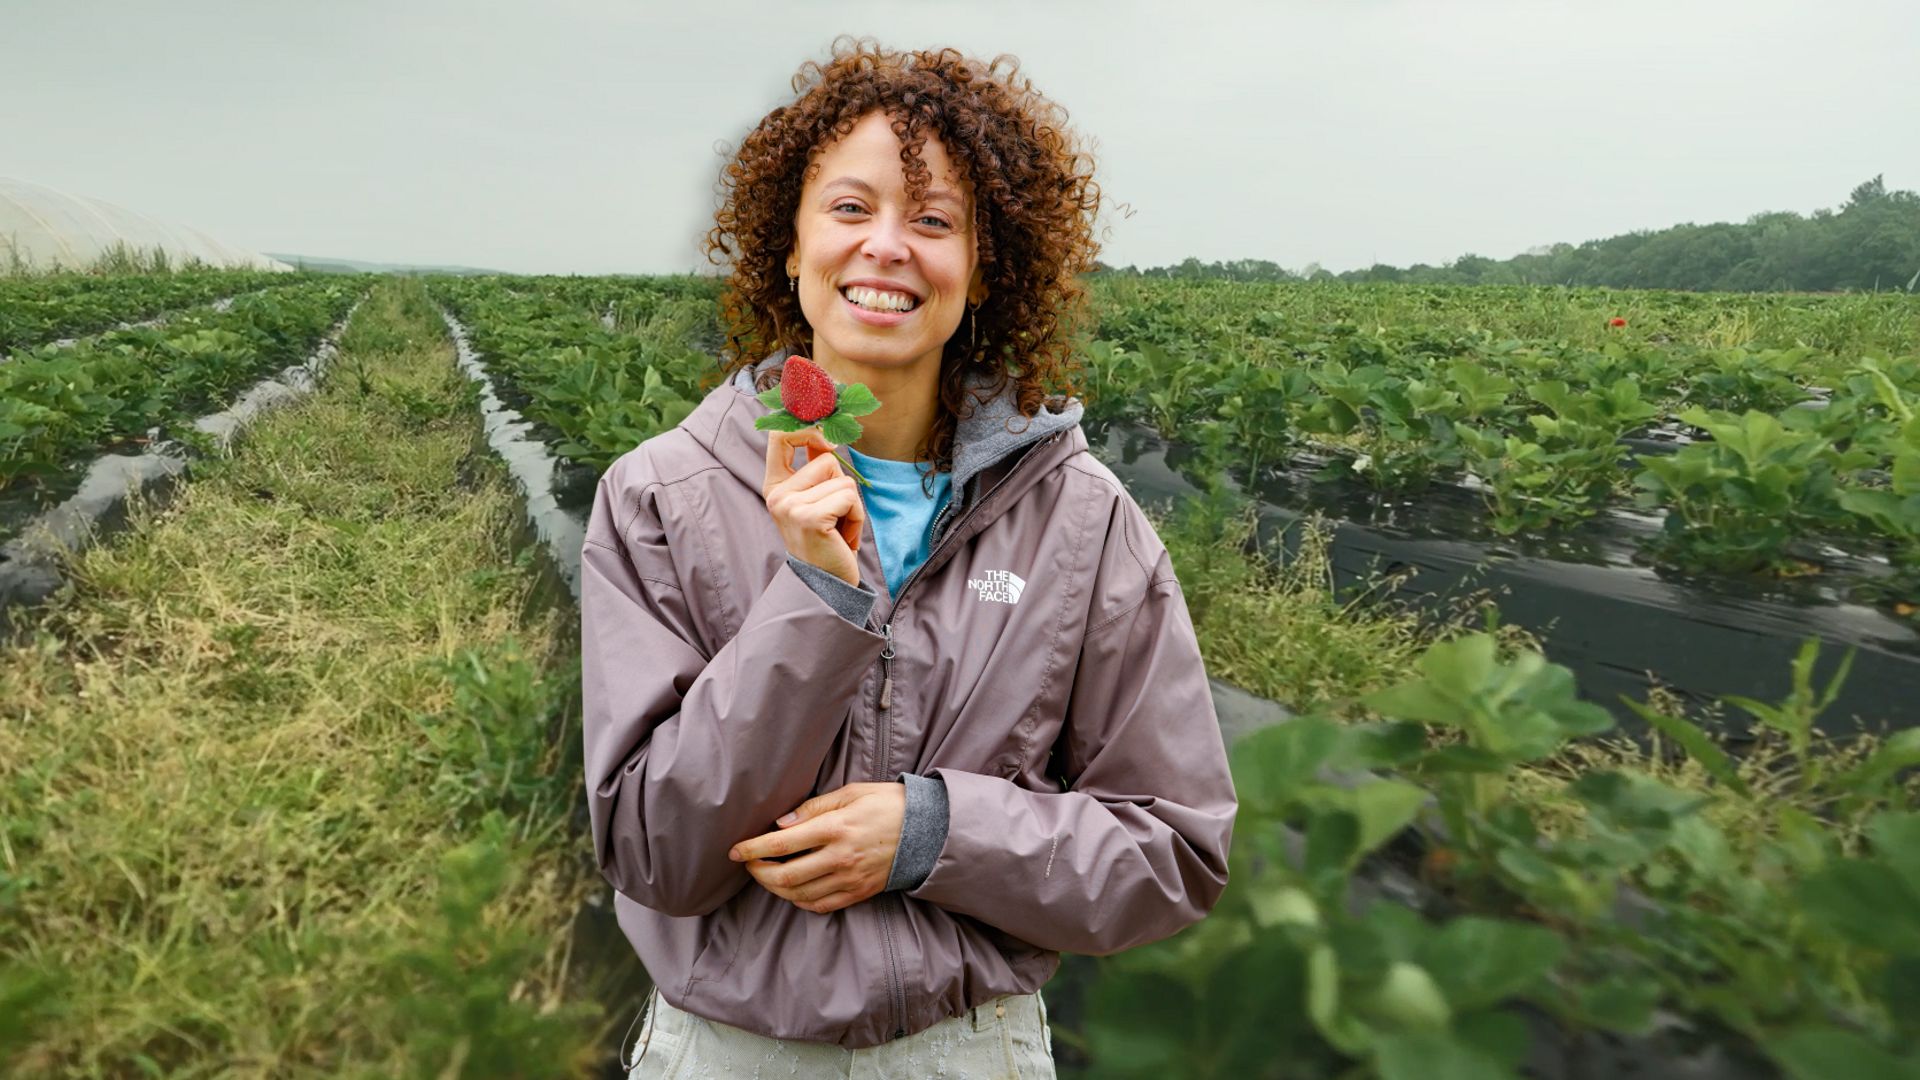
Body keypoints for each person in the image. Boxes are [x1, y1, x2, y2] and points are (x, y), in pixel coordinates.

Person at [581, 36, 1237, 1078]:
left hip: (969, 1052)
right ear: (789, 247)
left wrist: (933, 834)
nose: (887, 246)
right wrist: (810, 598)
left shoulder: (1082, 519)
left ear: (982, 271)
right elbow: (655, 854)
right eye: (849, 209)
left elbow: (1173, 851)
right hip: (726, 1051)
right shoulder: (660, 496)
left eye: (934, 221)